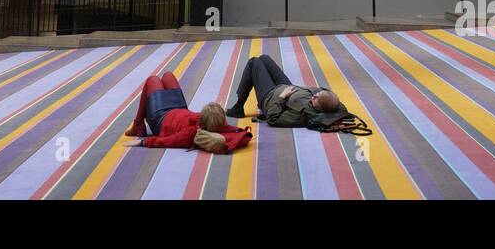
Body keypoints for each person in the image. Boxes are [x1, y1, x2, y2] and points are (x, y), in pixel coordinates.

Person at [124, 71, 252, 153]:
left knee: (152, 79)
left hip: (160, 117)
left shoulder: (190, 133)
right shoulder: (219, 123)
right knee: (168, 75)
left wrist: (143, 142)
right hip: (179, 108)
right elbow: (234, 131)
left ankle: (138, 124)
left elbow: (168, 141)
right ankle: (138, 124)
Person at [226, 54, 343, 128]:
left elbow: (273, 118)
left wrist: (282, 96)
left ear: (320, 108)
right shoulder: (323, 101)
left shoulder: (301, 116)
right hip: (287, 88)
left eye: (316, 98)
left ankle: (238, 107)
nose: (314, 96)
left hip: (270, 98)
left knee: (253, 62)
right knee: (264, 58)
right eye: (316, 94)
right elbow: (333, 103)